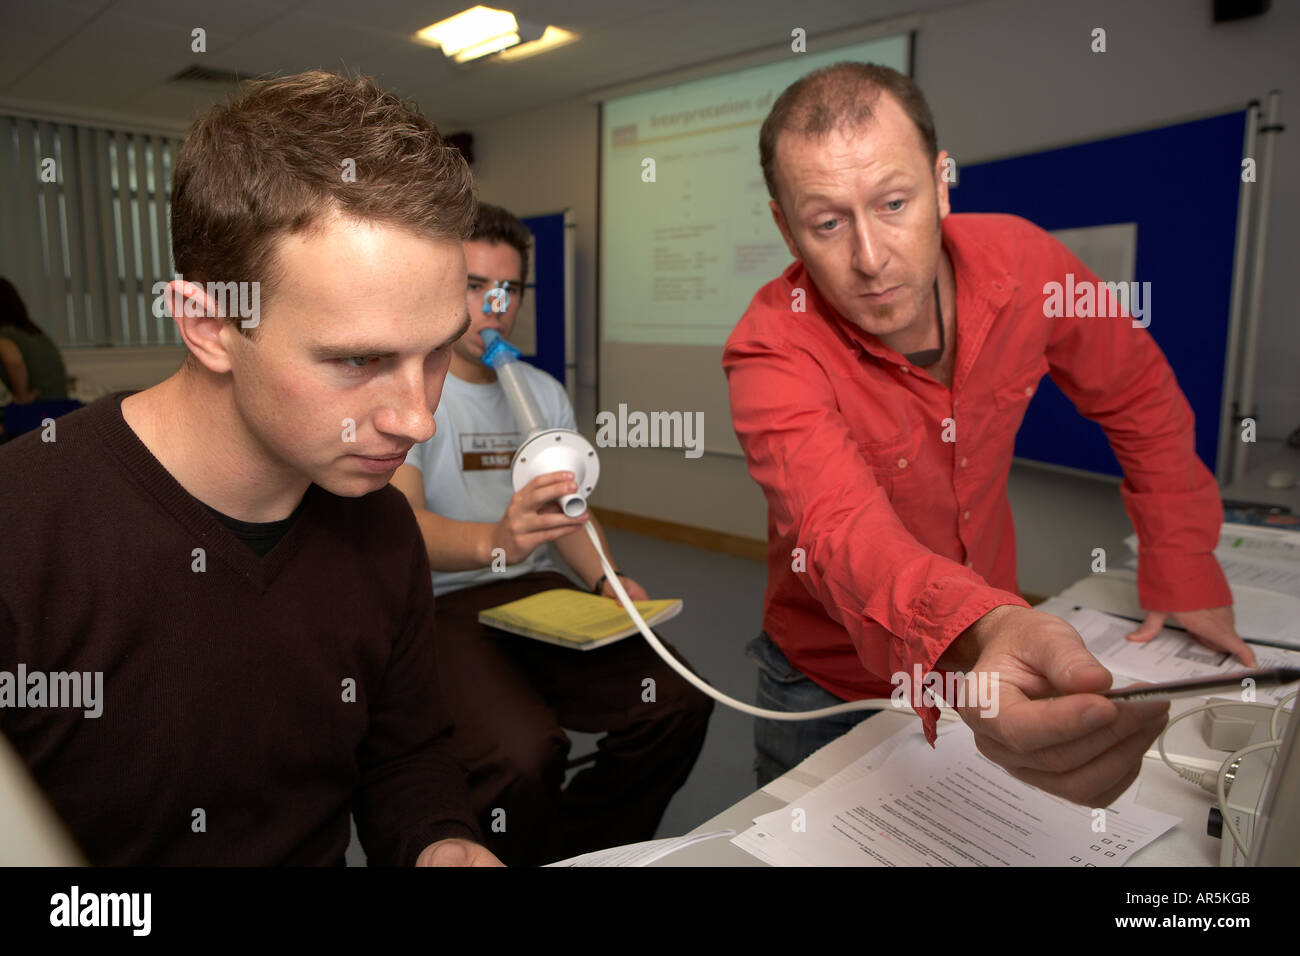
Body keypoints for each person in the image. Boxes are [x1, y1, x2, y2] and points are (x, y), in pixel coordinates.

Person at [0, 70, 500, 866]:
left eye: (437, 349)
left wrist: (438, 838)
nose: (418, 418)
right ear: (207, 325)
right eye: (358, 359)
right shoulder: (22, 534)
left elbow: (405, 756)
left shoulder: (381, 530)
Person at [724, 62, 1252, 807]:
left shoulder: (1026, 262)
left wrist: (1182, 560)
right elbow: (838, 527)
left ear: (942, 181)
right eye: (828, 222)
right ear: (786, 227)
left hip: (995, 656)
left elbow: (1139, 395)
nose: (870, 259)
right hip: (828, 679)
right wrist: (979, 627)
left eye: (895, 202)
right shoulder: (770, 345)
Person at [391, 203, 713, 866]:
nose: (494, 306)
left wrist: (604, 578)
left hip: (533, 593)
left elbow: (570, 511)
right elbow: (406, 530)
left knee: (677, 701)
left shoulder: (539, 394)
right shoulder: (409, 390)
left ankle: (580, 848)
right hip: (441, 606)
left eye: (508, 290)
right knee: (522, 752)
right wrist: (495, 542)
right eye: (475, 287)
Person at [0, 277, 74, 441]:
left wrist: (22, 395)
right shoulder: (35, 333)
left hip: (37, 413)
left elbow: (13, 360)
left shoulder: (4, 335)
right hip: (60, 410)